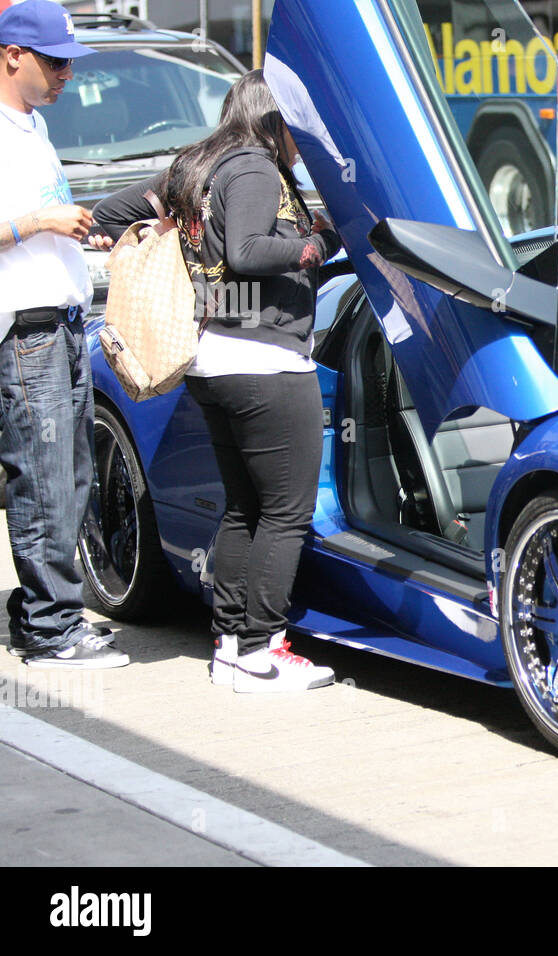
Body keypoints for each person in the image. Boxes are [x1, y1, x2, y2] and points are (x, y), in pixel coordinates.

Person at [94, 70, 341, 692]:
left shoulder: (197, 167)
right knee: (286, 512)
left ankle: (233, 646)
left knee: (245, 507)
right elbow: (250, 253)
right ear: (273, 119)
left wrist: (166, 229)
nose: (301, 140)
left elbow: (111, 212)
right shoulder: (255, 167)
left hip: (213, 357)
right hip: (266, 360)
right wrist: (312, 246)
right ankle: (263, 651)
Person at [0, 0, 127, 668]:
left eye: (70, 62)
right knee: (44, 478)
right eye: (55, 61)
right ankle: (51, 631)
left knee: (71, 476)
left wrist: (74, 230)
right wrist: (39, 223)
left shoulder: (32, 126)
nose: (66, 75)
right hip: (26, 333)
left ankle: (45, 616)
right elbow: (22, 224)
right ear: (13, 54)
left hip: (63, 324)